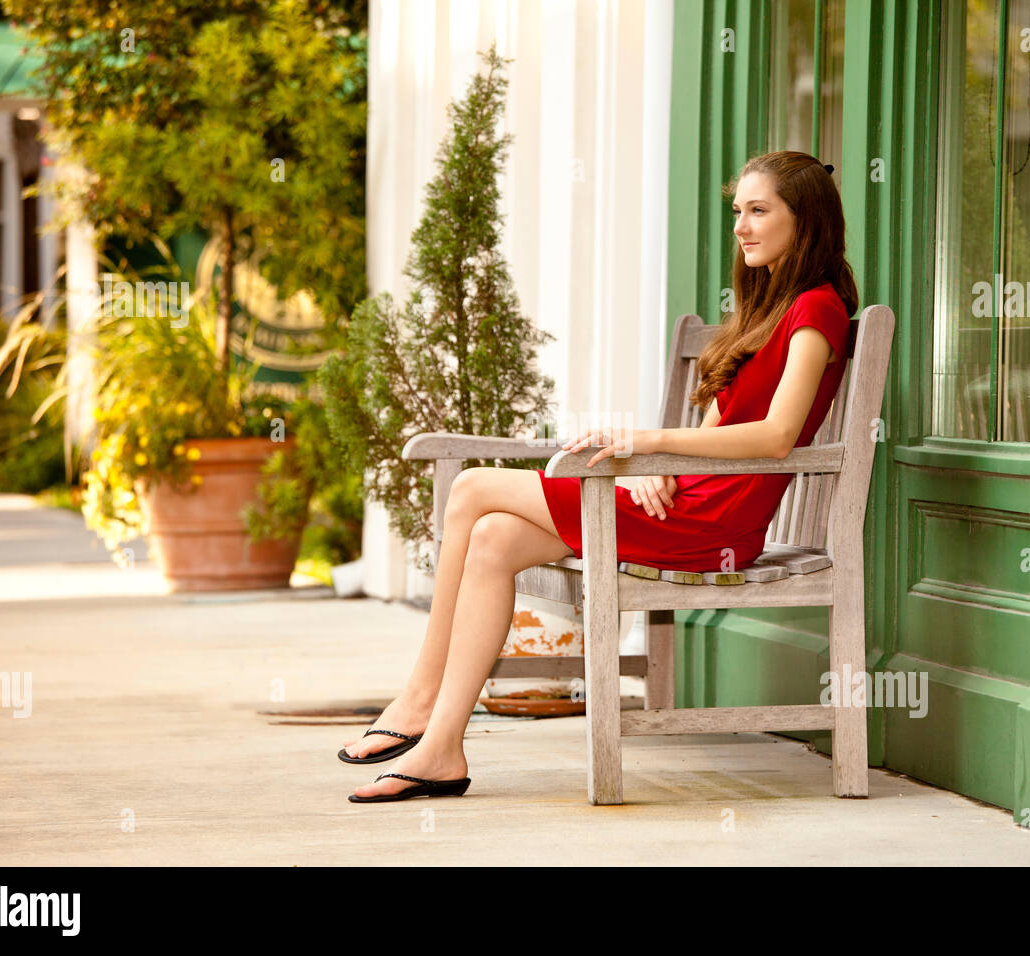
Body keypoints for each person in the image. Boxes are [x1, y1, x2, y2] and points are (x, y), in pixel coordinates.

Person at [344, 150, 859, 802]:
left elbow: (776, 437)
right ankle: (442, 747)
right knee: (494, 537)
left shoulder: (817, 310)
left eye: (759, 211)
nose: (742, 226)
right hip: (685, 502)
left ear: (804, 219)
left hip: (717, 526)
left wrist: (646, 442)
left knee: (474, 487)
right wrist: (653, 472)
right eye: (738, 211)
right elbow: (716, 433)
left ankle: (419, 696)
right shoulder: (762, 312)